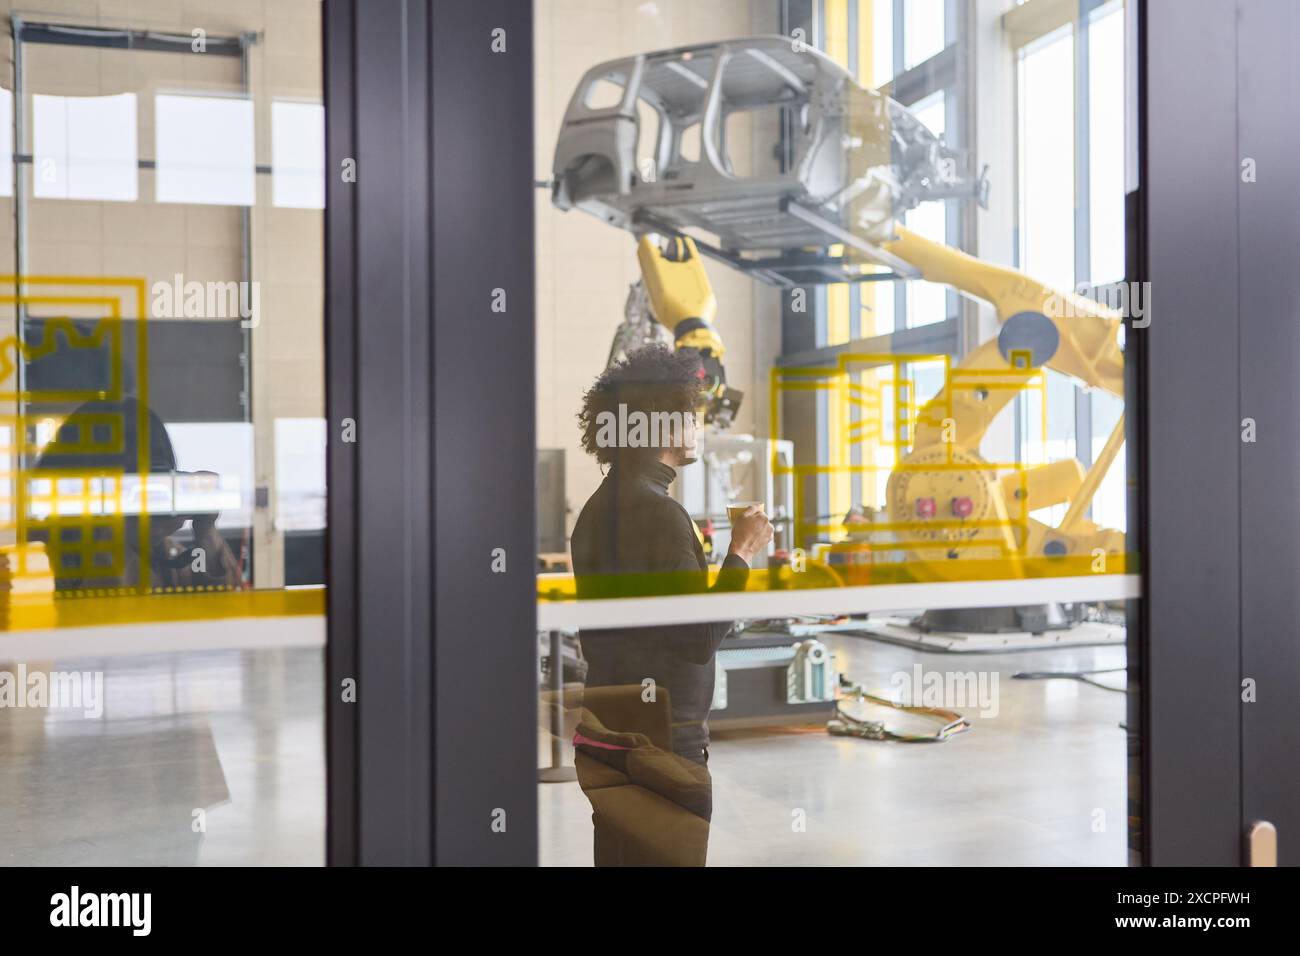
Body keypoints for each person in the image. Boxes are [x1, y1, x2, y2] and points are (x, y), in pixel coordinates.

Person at [569, 344, 772, 865]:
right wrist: (741, 553)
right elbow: (698, 639)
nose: (698, 428)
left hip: (606, 728)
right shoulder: (661, 514)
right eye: (691, 416)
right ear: (661, 427)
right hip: (662, 739)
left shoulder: (595, 510)